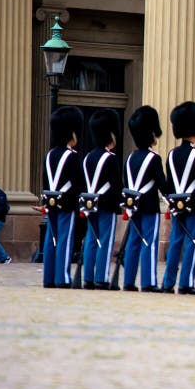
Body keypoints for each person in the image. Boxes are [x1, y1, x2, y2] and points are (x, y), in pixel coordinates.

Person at [163, 101, 195, 295]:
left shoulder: (171, 155)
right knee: (192, 243)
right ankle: (186, 282)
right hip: (194, 205)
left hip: (175, 204)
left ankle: (168, 282)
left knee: (175, 241)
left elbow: (168, 183)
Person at [123, 105, 167, 292]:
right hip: (149, 206)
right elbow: (163, 184)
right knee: (149, 242)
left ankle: (128, 280)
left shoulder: (130, 158)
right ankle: (149, 281)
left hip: (133, 207)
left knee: (133, 242)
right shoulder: (154, 158)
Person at [42, 106, 85, 288]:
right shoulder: (72, 156)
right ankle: (62, 278)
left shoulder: (50, 154)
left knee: (50, 239)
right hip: (67, 203)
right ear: (72, 132)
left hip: (51, 202)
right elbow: (78, 183)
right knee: (64, 241)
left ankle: (48, 278)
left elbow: (45, 179)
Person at [79, 110, 123, 289]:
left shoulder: (88, 157)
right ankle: (101, 277)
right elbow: (116, 185)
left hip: (91, 204)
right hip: (107, 205)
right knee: (105, 240)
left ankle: (88, 277)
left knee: (91, 240)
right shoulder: (111, 158)